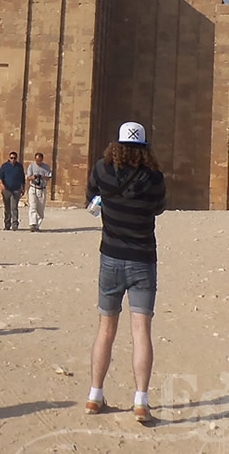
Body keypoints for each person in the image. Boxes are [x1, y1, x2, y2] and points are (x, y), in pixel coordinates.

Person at [84, 121, 167, 424]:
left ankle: (95, 396)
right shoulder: (155, 177)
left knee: (106, 330)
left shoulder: (102, 170)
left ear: (115, 145)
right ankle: (141, 401)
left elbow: (91, 198)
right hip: (143, 258)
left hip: (111, 258)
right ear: (144, 147)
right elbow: (159, 207)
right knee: (141, 332)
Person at [0, 151, 26, 231]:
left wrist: (23, 188)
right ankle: (7, 224)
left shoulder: (19, 167)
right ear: (9, 158)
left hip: (16, 189)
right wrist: (2, 185)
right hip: (7, 189)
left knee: (14, 207)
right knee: (7, 208)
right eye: (11, 158)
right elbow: (0, 176)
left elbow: (22, 178)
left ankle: (15, 224)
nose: (13, 159)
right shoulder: (5, 166)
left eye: (14, 158)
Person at [25, 152, 53, 232]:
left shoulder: (46, 167)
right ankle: (32, 224)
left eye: (40, 161)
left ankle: (37, 225)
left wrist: (43, 177)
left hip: (42, 189)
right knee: (32, 206)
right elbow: (28, 178)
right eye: (37, 161)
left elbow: (49, 178)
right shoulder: (31, 166)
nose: (39, 163)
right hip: (33, 188)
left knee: (40, 210)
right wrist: (33, 177)